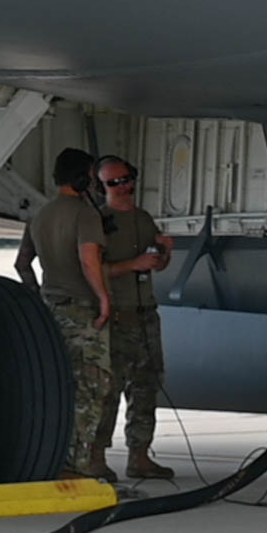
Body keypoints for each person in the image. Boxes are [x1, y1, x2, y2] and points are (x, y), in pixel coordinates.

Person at [15, 147, 112, 480]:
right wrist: (103, 298)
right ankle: (74, 468)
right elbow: (88, 259)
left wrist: (36, 296)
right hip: (83, 313)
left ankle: (54, 459)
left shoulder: (39, 215)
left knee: (60, 388)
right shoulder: (85, 215)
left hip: (53, 311)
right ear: (82, 178)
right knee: (90, 389)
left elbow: (22, 263)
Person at [92, 155, 176, 481]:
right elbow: (93, 269)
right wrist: (133, 265)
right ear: (102, 186)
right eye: (114, 183)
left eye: (126, 179)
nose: (123, 187)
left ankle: (139, 456)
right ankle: (96, 456)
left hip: (145, 315)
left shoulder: (143, 219)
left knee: (147, 385)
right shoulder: (99, 222)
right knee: (109, 388)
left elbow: (157, 265)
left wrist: (165, 252)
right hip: (118, 315)